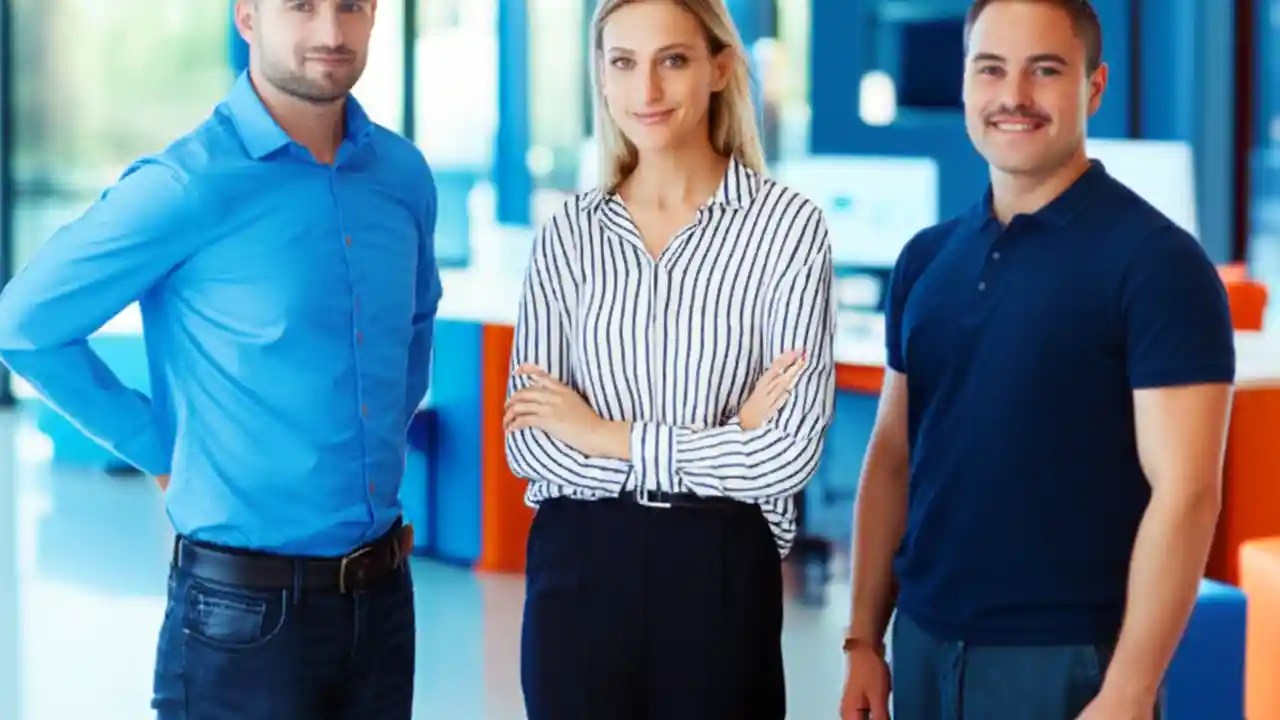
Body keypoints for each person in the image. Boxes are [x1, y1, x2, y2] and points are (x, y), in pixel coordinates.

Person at [0, 1, 440, 717]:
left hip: (383, 601)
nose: (331, 32)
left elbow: (414, 324)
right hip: (243, 619)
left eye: (351, 7)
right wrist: (162, 449)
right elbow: (26, 324)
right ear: (247, 17)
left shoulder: (403, 175)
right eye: (302, 6)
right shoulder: (188, 183)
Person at [837, 1, 1236, 719]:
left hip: (1068, 662)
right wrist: (863, 640)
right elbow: (894, 454)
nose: (1013, 96)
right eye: (991, 69)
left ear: (1094, 85)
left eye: (1044, 70)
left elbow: (1187, 494)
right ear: (965, 84)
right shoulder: (926, 258)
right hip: (924, 647)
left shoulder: (1159, 265)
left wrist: (1129, 689)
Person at [501, 1, 835, 718]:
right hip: (577, 572)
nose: (646, 91)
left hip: (719, 568)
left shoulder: (788, 231)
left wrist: (598, 433)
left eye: (672, 60)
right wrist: (724, 440)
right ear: (602, 76)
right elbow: (529, 442)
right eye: (623, 62)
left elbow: (787, 457)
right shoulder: (569, 234)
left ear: (719, 67)